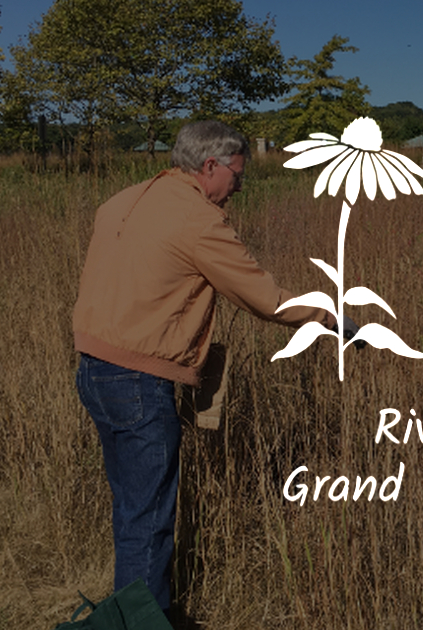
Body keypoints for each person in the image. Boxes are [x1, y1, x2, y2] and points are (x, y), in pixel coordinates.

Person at [72, 120, 352, 614]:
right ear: (210, 166)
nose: (240, 186)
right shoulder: (197, 219)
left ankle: (124, 616)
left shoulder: (125, 199)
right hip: (140, 381)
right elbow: (264, 299)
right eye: (237, 175)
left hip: (94, 370)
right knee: (150, 519)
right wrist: (329, 315)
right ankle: (140, 625)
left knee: (132, 511)